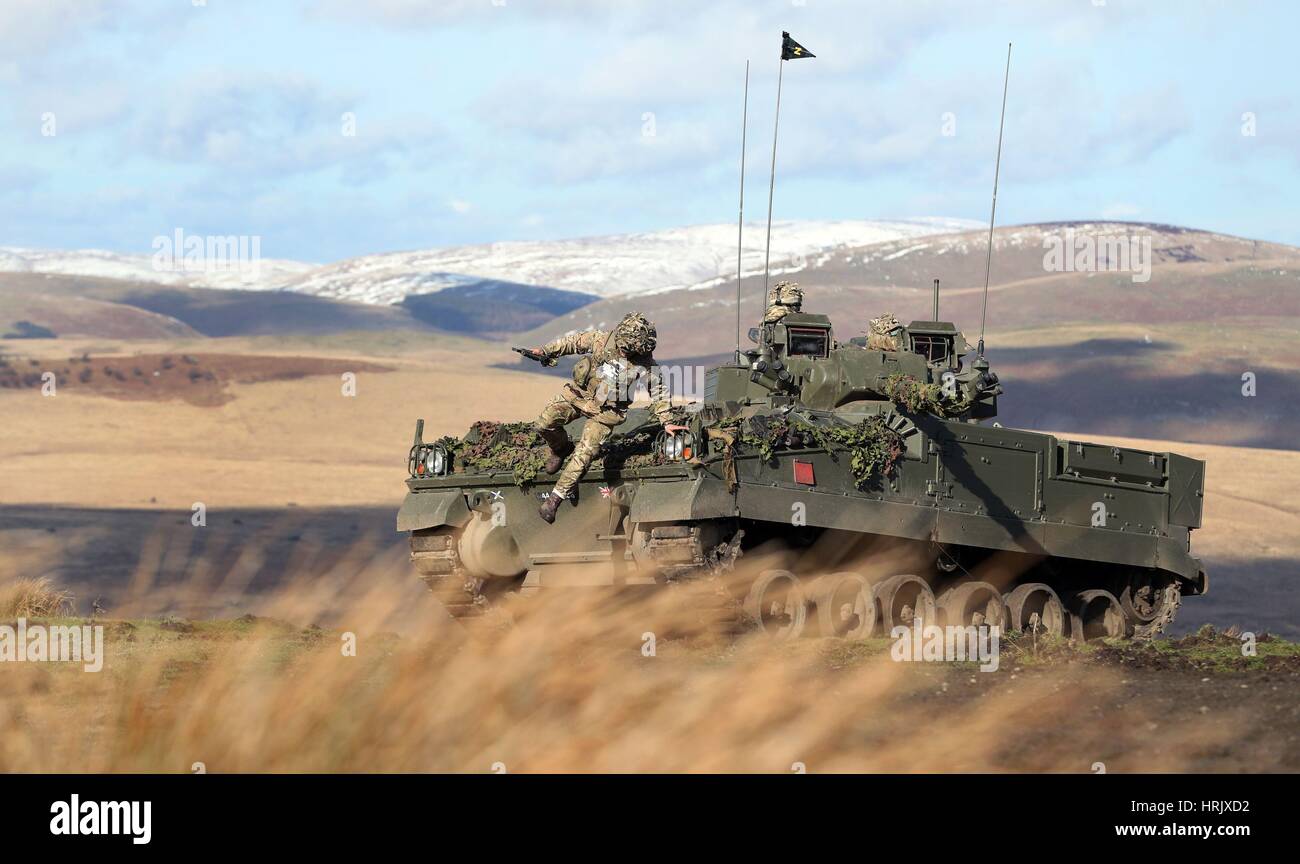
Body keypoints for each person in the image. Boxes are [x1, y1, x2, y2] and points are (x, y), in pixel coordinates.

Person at [529, 312, 687, 524]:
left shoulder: (645, 362)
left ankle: (554, 500)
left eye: (629, 350)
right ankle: (560, 448)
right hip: (578, 396)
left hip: (607, 413)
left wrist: (667, 421)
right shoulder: (601, 339)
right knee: (543, 424)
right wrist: (546, 350)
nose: (624, 352)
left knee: (584, 453)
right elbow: (572, 343)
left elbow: (658, 389)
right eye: (623, 348)